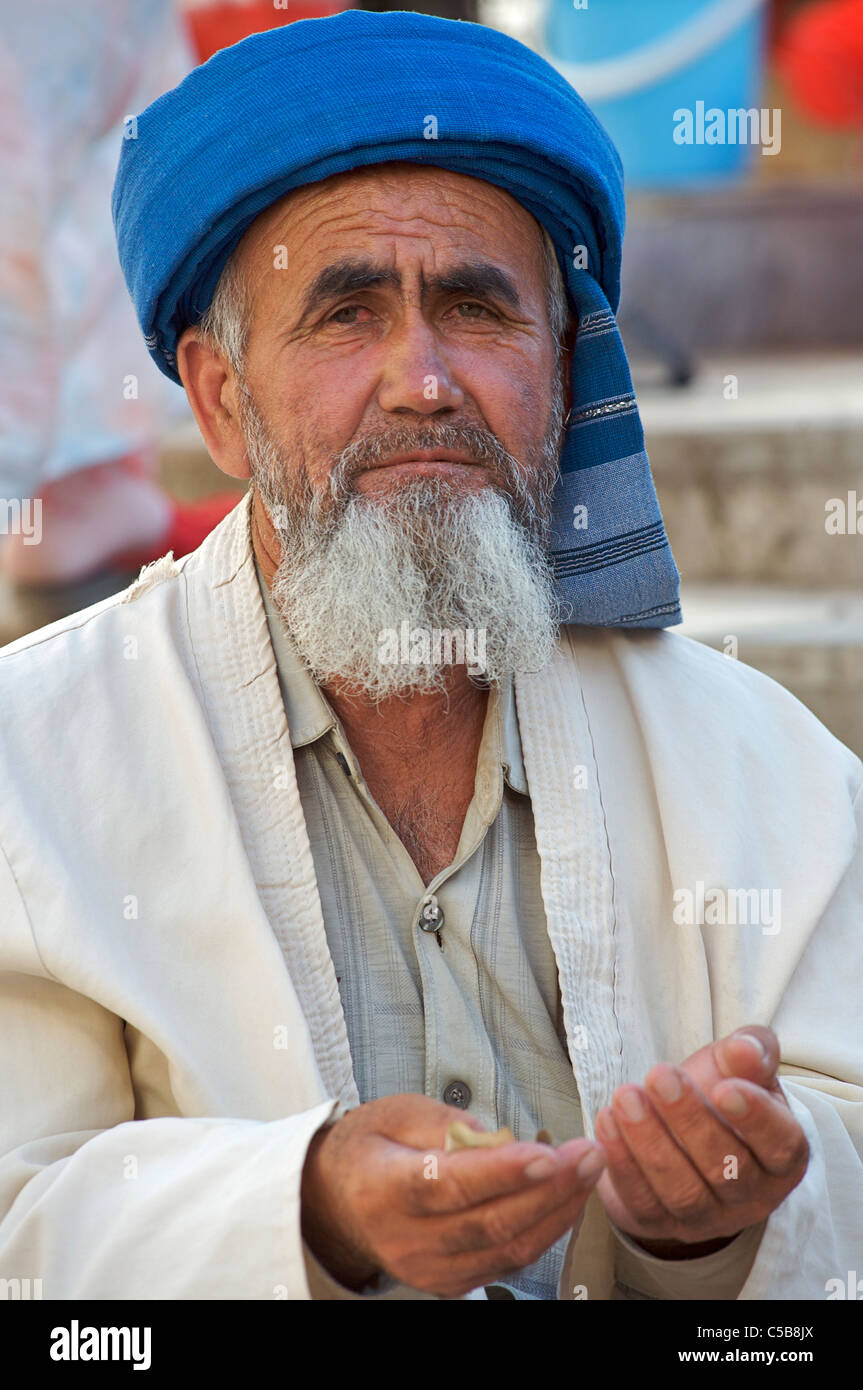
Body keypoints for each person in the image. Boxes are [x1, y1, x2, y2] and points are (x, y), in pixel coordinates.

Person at [0, 10, 860, 1302]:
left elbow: (840, 1138)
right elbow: (23, 1213)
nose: (424, 382)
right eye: (346, 314)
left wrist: (709, 1222)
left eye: (476, 308)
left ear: (563, 375)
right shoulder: (35, 761)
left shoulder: (758, 758)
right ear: (221, 399)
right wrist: (307, 1213)